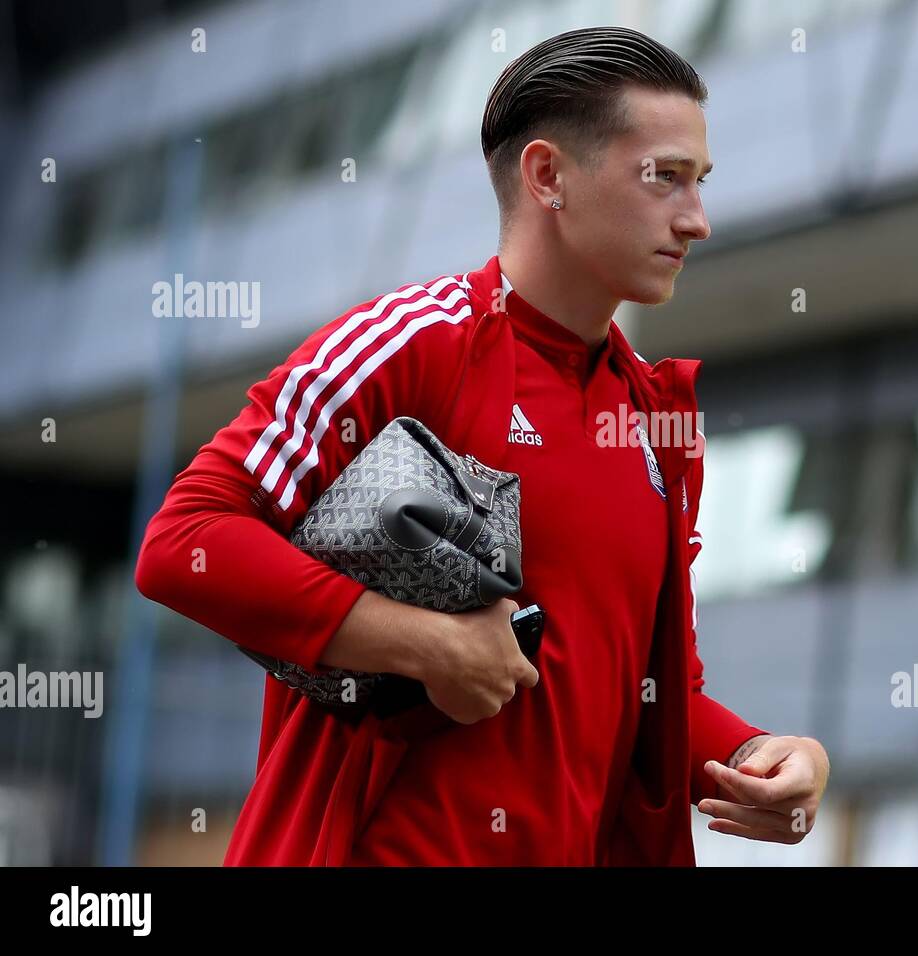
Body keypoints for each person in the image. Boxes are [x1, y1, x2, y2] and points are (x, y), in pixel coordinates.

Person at [135, 25, 829, 866]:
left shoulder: (656, 417)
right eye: (666, 179)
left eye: (701, 183)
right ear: (548, 177)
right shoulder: (412, 345)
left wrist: (763, 757)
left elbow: (646, 695)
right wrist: (423, 643)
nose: (698, 220)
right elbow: (182, 543)